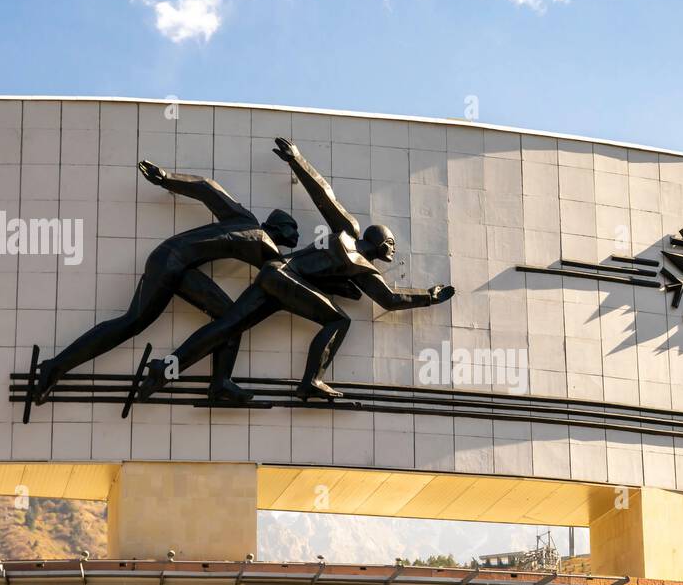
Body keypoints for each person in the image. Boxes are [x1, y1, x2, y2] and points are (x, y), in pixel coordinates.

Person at [138, 138, 454, 402]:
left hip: (276, 280)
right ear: (382, 241)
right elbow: (323, 195)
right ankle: (311, 382)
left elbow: (391, 300)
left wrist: (428, 296)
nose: (394, 250)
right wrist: (298, 161)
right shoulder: (348, 232)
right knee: (338, 320)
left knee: (227, 327)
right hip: (283, 278)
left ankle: (165, 370)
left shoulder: (366, 272)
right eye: (392, 244)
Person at [31, 161, 298, 405]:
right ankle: (54, 367)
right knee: (132, 322)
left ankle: (219, 383)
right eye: (292, 228)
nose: (296, 235)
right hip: (170, 261)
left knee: (230, 320)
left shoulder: (245, 222)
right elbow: (208, 190)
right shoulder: (259, 235)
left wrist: (166, 178)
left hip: (178, 266)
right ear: (278, 227)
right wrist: (166, 178)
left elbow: (207, 189)